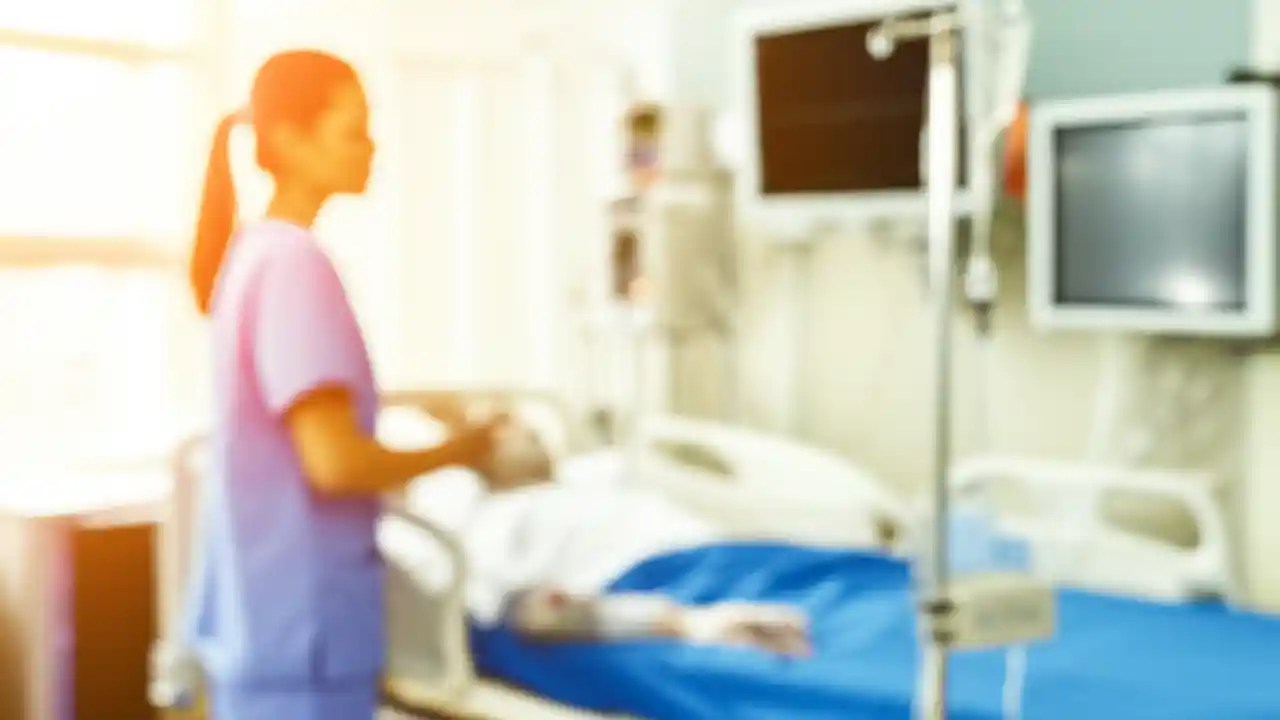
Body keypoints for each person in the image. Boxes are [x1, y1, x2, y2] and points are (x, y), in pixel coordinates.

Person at [184, 50, 514, 720]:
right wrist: (465, 450)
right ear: (290, 141)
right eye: (354, 130)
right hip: (305, 633)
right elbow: (334, 463)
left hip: (267, 625)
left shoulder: (251, 256)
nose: (371, 147)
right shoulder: (295, 264)